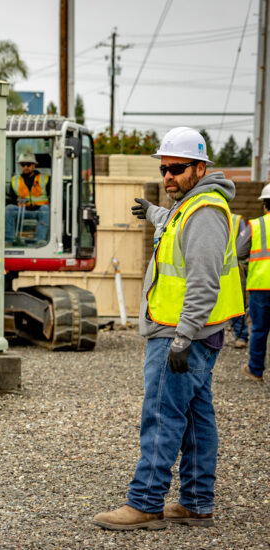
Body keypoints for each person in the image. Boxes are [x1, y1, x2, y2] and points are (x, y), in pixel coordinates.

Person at [92, 127, 243, 530]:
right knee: (196, 418)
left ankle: (145, 503)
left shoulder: (205, 212)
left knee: (161, 415)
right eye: (164, 168)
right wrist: (155, 212)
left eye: (176, 168)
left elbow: (204, 280)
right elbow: (178, 227)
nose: (167, 176)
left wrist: (181, 336)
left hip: (180, 335)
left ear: (199, 167)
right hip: (194, 334)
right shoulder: (192, 206)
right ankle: (196, 502)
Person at [235, 183, 270, 381]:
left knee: (259, 328)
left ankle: (256, 370)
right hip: (260, 285)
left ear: (265, 205)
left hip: (260, 285)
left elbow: (239, 251)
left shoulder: (256, 225)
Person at [5, 151, 50, 245]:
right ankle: (9, 240)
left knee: (46, 209)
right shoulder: (15, 180)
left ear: (34, 165)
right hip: (22, 210)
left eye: (28, 164)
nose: (25, 167)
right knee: (9, 209)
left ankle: (40, 241)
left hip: (40, 210)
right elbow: (12, 199)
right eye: (23, 164)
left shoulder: (44, 179)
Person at [230, 212, 250, 348]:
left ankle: (241, 335)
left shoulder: (236, 220)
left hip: (230, 269)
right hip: (229, 268)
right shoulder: (237, 220)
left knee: (234, 303)